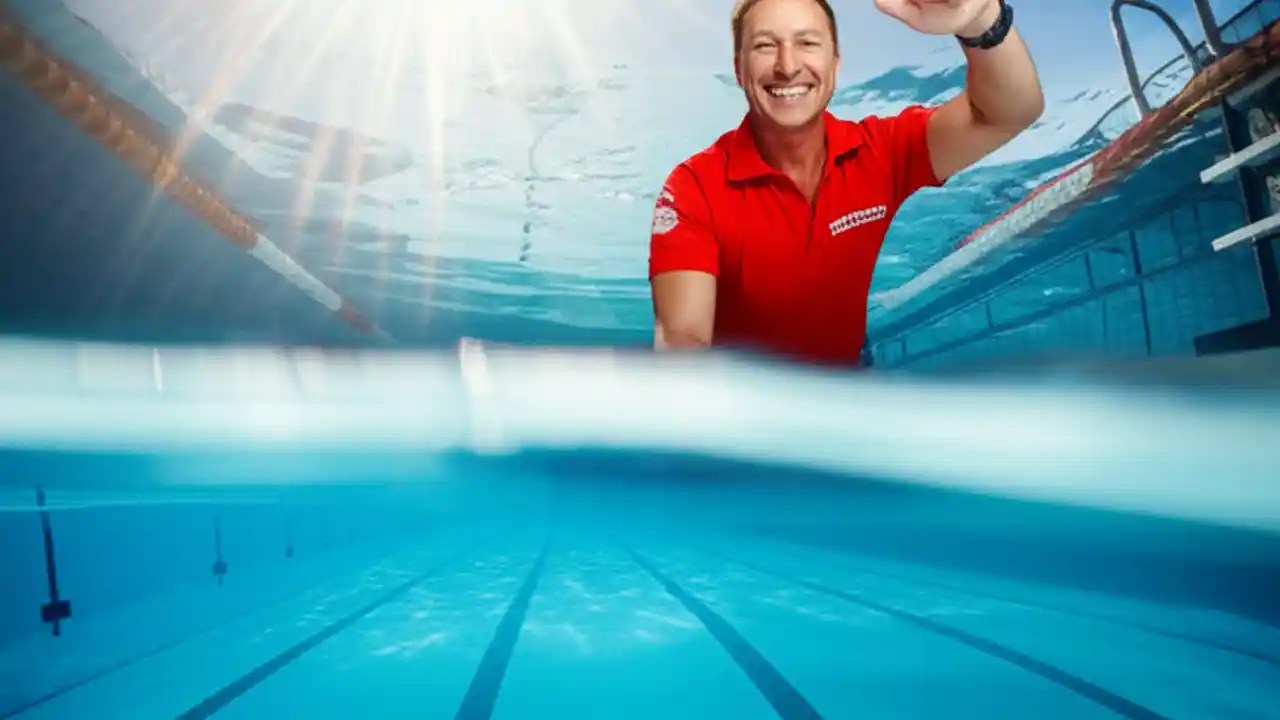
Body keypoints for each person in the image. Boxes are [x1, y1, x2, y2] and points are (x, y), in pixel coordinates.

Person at [648, 0, 1044, 366]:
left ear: (835, 63)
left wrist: (982, 19)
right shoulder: (692, 187)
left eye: (807, 42)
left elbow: (1009, 112)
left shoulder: (881, 151)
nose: (788, 65)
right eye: (766, 46)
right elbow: (684, 343)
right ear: (738, 69)